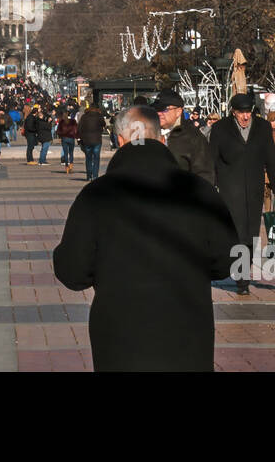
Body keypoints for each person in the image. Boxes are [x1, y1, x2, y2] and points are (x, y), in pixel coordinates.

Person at [52, 106, 239, 371]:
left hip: (120, 339)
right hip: (187, 332)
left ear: (119, 141)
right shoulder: (199, 192)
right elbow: (228, 258)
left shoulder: (96, 196)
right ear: (162, 139)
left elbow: (72, 271)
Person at [211, 93, 275, 295]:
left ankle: (243, 277)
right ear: (233, 112)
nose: (245, 117)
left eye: (248, 112)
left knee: (250, 236)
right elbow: (212, 160)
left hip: (254, 189)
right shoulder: (220, 129)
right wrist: (210, 187)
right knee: (235, 235)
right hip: (230, 190)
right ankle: (239, 275)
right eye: (241, 113)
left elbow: (270, 156)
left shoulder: (261, 128)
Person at [151, 89, 215, 185]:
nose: (159, 113)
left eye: (165, 109)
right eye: (157, 109)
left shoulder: (193, 137)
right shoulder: (148, 133)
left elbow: (205, 175)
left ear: (178, 111)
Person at [77, 103, 107, 180]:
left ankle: (89, 176)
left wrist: (80, 138)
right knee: (96, 158)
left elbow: (79, 128)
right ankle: (95, 176)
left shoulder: (84, 116)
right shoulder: (99, 116)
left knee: (88, 158)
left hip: (86, 140)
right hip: (97, 139)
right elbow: (104, 124)